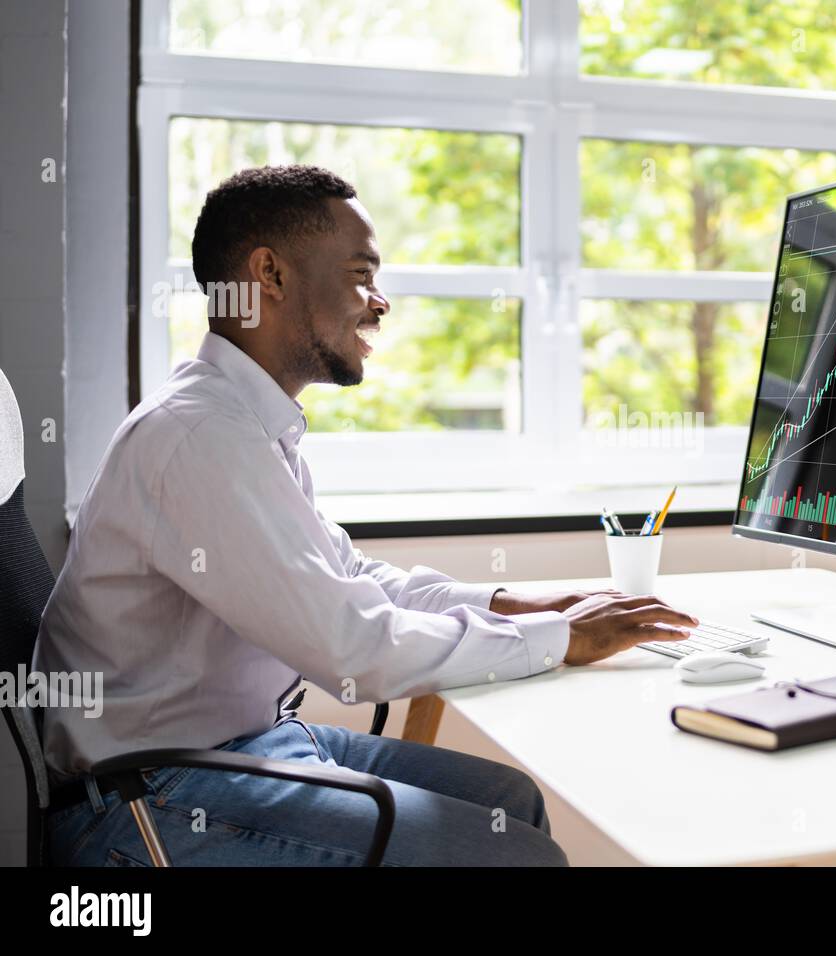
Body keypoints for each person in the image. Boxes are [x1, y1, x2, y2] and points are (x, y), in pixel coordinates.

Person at [33, 164, 698, 866]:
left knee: (512, 805)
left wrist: (512, 602)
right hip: (150, 797)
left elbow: (351, 579)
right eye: (360, 274)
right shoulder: (197, 437)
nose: (379, 302)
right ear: (271, 275)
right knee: (517, 857)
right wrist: (559, 638)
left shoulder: (247, 424)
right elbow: (354, 648)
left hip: (239, 746)